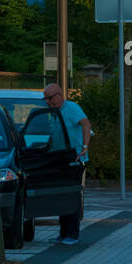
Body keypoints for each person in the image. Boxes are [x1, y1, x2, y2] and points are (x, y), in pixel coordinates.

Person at [42, 83, 92, 245]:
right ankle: (63, 233)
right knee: (62, 195)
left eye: (50, 98)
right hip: (60, 158)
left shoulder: (71, 108)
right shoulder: (54, 113)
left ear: (59, 95)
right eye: (46, 99)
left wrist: (84, 147)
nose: (48, 102)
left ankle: (72, 233)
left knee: (72, 195)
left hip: (75, 159)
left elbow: (86, 124)